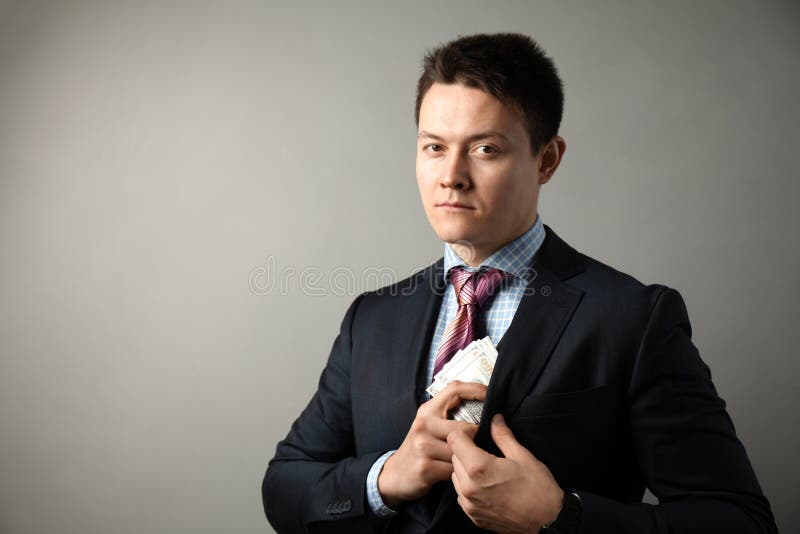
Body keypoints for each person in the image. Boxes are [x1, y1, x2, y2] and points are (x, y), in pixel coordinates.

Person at [262, 33, 777, 534]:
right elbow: (285, 486)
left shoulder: (633, 318)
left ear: (547, 159)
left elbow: (739, 520)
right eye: (434, 147)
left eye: (485, 149)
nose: (452, 176)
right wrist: (384, 479)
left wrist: (562, 518)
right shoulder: (372, 318)